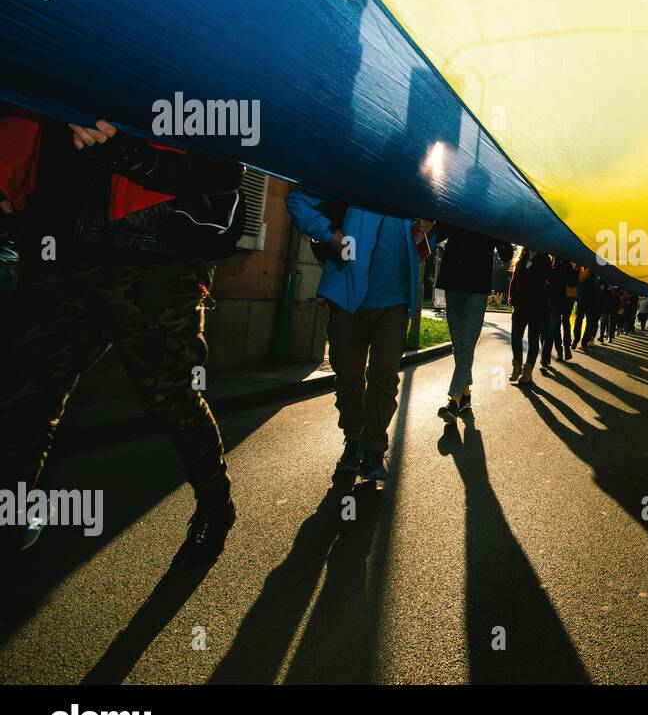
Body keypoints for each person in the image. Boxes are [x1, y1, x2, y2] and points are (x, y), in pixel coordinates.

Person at [0, 112, 243, 570]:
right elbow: (17, 140)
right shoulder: (48, 56)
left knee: (170, 397)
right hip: (56, 257)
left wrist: (127, 154)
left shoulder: (187, 69)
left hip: (153, 260)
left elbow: (222, 170)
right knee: (22, 398)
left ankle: (215, 505)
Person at [286, 189, 431, 485]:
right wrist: (330, 234)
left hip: (395, 302)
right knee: (348, 376)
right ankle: (354, 441)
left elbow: (440, 229)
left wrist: (429, 227)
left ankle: (374, 452)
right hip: (346, 296)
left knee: (384, 378)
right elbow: (297, 201)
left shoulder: (416, 191)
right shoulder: (351, 176)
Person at [430, 222, 512, 422]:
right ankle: (465, 393)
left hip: (477, 287)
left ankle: (454, 399)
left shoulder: (491, 215)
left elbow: (507, 255)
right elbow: (436, 234)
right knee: (459, 344)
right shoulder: (458, 206)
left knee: (466, 344)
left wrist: (499, 233)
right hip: (452, 281)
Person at [507, 247, 549, 384]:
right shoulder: (520, 260)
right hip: (520, 307)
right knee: (515, 338)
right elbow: (514, 281)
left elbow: (550, 281)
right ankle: (517, 366)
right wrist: (512, 298)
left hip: (537, 307)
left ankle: (528, 372)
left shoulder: (544, 260)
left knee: (533, 339)